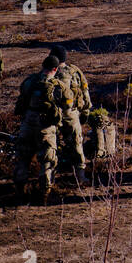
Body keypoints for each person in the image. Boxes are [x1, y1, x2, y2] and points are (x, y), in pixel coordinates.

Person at [12, 55, 70, 200]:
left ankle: (20, 190)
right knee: (47, 160)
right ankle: (45, 192)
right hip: (46, 126)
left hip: (27, 124)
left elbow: (21, 101)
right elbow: (68, 104)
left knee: (23, 158)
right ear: (55, 69)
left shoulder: (29, 81)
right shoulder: (58, 85)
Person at [49, 45, 89, 183]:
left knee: (51, 145)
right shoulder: (74, 71)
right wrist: (85, 111)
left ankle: (50, 178)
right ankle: (80, 176)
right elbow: (85, 91)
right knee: (77, 144)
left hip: (52, 115)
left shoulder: (48, 72)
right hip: (71, 114)